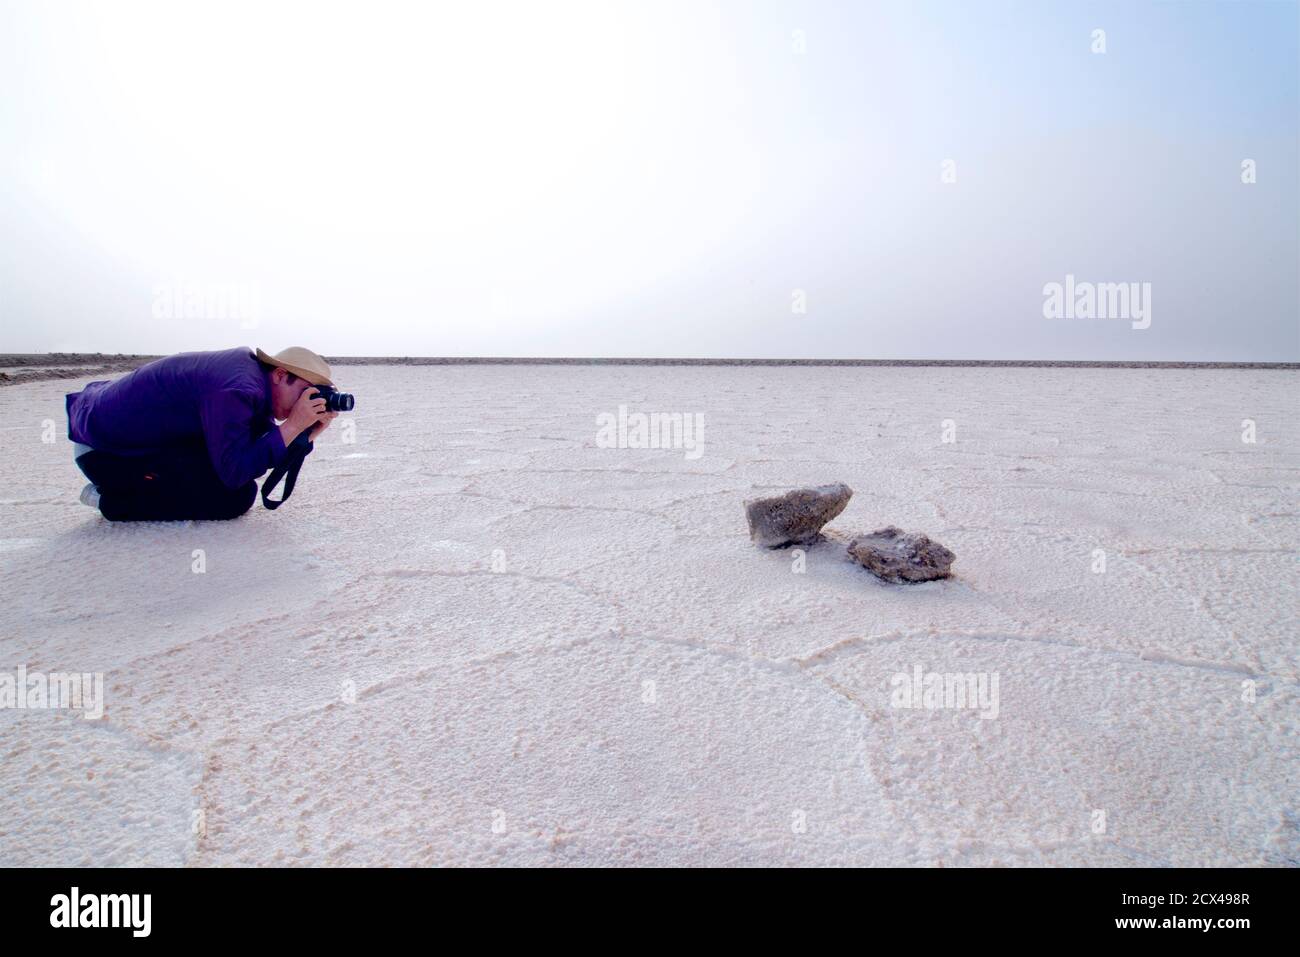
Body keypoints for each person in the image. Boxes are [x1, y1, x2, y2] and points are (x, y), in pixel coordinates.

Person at [66, 346, 337, 521]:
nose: (307, 402)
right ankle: (111, 500)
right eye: (305, 392)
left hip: (116, 437)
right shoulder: (237, 389)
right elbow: (235, 473)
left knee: (232, 482)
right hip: (104, 453)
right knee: (232, 498)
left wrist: (306, 434)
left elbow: (258, 450)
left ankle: (124, 488)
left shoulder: (251, 380)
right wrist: (292, 426)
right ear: (279, 375)